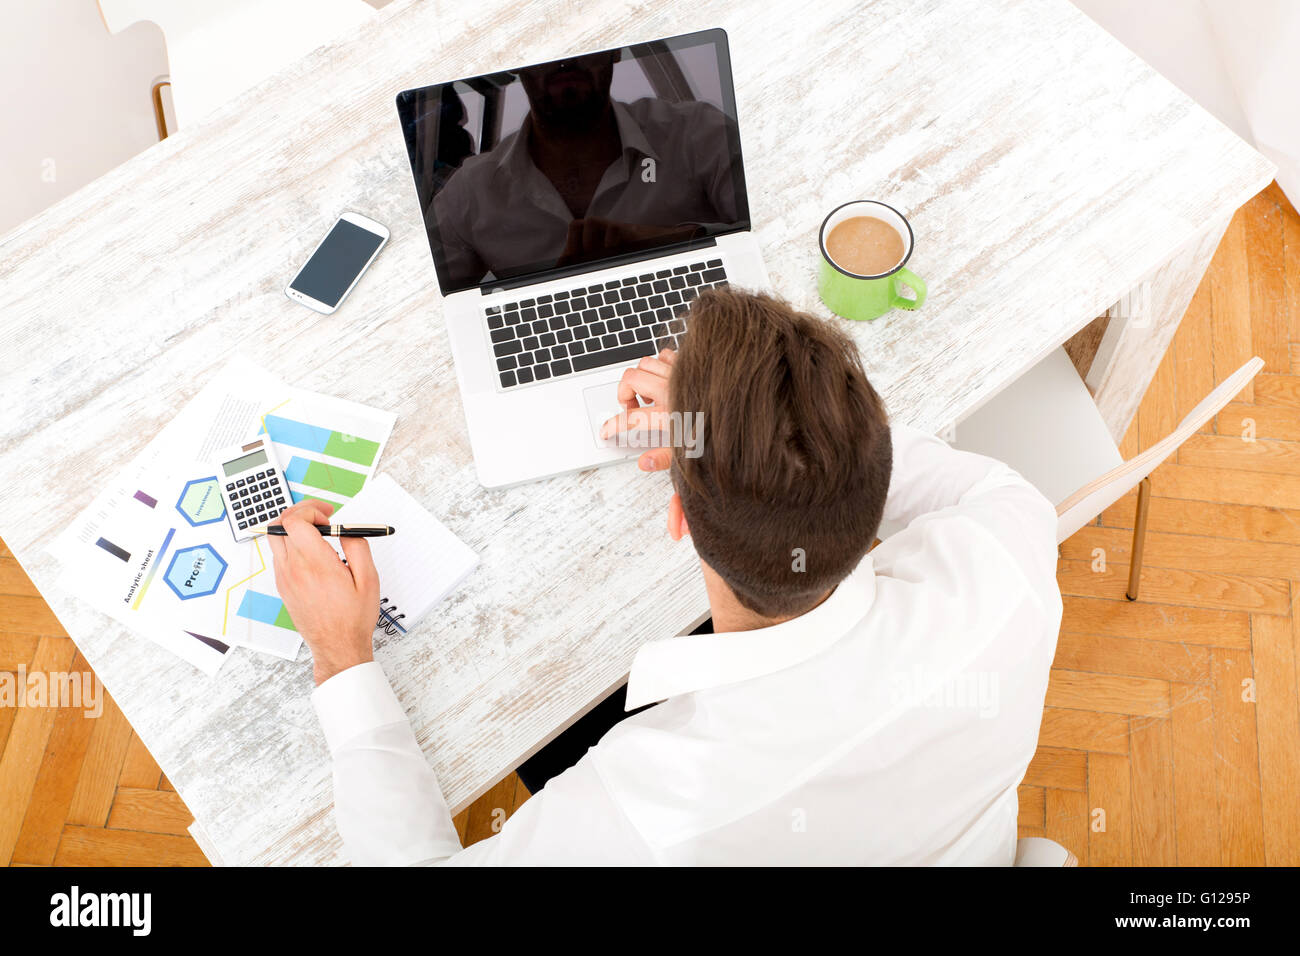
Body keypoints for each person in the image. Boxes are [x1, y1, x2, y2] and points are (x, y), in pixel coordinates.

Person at [271, 287, 1062, 865]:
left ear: (678, 517)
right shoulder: (1007, 567)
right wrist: (737, 438)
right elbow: (961, 484)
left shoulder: (649, 809)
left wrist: (342, 656)